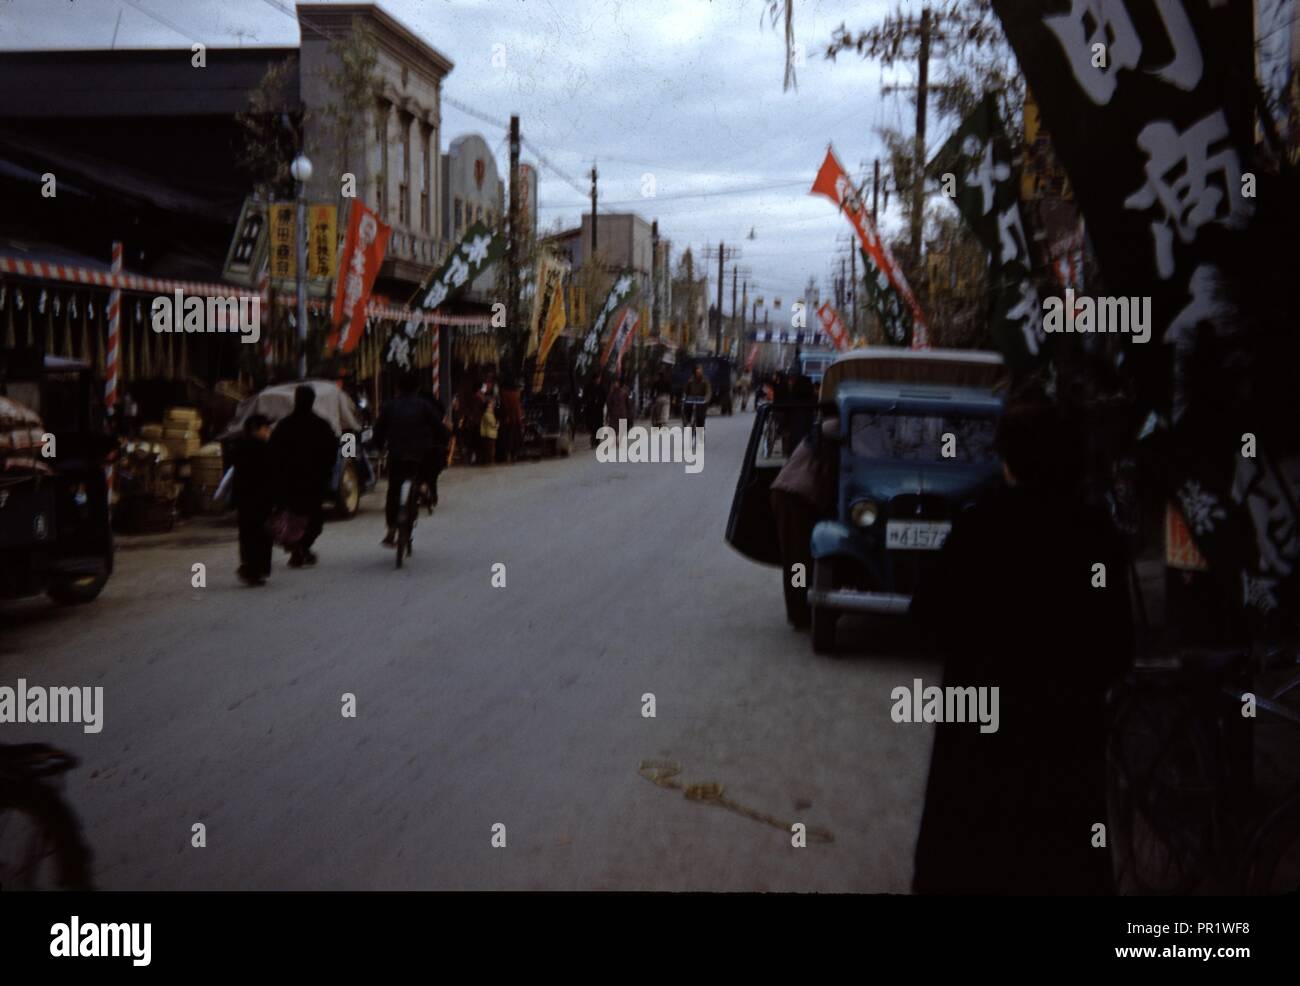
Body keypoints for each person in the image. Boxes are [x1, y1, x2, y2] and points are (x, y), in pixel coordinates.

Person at [909, 394, 1133, 895]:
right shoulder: (1095, 534)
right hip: (1065, 747)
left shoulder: (980, 526)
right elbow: (1119, 648)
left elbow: (927, 617)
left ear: (1008, 458)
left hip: (979, 747)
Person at [768, 409, 839, 627]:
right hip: (795, 496)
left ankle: (801, 608)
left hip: (793, 493)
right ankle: (799, 612)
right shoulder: (837, 427)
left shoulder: (828, 426)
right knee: (798, 560)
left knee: (799, 558)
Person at [268, 384, 337, 568]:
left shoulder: (284, 425)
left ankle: (297, 547)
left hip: (289, 481)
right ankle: (302, 547)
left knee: (290, 517)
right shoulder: (321, 425)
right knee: (314, 519)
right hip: (313, 481)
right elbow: (332, 452)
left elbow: (273, 452)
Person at [375, 371, 443, 545]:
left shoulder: (389, 406)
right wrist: (444, 437)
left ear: (398, 388)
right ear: (418, 387)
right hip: (419, 455)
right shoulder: (424, 405)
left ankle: (391, 528)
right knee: (419, 476)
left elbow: (378, 432)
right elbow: (439, 427)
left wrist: (376, 444)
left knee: (393, 489)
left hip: (396, 455)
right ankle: (420, 490)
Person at [231, 413, 274, 586]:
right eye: (265, 429)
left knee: (247, 535)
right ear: (256, 429)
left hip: (244, 500)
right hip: (261, 500)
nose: (268, 432)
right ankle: (257, 571)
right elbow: (271, 476)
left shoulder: (238, 447)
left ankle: (249, 568)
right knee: (262, 536)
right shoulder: (264, 449)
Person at [498, 374, 524, 463]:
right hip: (516, 419)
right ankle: (514, 456)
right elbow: (518, 406)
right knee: (515, 438)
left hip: (508, 419)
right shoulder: (516, 393)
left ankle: (508, 455)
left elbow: (504, 406)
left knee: (507, 438)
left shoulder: (503, 393)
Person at [586, 372, 608, 447]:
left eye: (599, 379)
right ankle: (593, 441)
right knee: (592, 426)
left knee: (598, 425)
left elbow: (604, 398)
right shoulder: (589, 387)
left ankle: (597, 441)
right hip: (591, 410)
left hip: (599, 410)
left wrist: (600, 402)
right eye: (597, 379)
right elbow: (586, 397)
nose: (598, 380)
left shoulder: (602, 388)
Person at [479, 394, 499, 466]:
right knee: (490, 449)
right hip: (489, 434)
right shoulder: (488, 414)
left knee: (490, 449)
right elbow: (492, 423)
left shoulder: (489, 413)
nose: (493, 406)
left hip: (491, 433)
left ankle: (489, 461)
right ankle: (490, 461)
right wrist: (497, 424)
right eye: (491, 404)